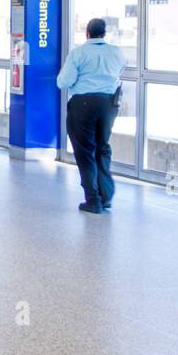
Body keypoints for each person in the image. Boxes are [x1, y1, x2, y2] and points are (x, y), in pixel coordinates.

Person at [56, 17, 125, 214]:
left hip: (83, 104)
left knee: (85, 151)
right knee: (102, 147)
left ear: (87, 33)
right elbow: (119, 72)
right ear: (104, 34)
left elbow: (64, 81)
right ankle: (106, 196)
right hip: (108, 104)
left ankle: (93, 200)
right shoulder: (116, 53)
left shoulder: (79, 53)